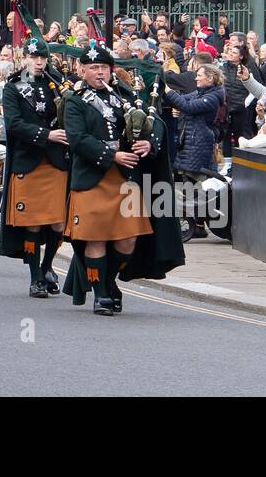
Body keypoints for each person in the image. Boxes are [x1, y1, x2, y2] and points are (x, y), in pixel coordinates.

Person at [61, 41, 183, 314]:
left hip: (124, 179)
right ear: (82, 70)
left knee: (128, 239)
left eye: (103, 67)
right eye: (93, 68)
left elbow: (155, 122)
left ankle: (107, 280)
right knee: (96, 238)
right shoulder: (75, 101)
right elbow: (78, 139)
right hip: (92, 177)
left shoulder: (124, 96)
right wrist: (112, 155)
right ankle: (101, 294)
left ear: (111, 69)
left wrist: (149, 143)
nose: (99, 73)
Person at [0, 26, 71, 298]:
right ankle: (35, 277)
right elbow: (14, 124)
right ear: (24, 58)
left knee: (57, 223)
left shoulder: (57, 83)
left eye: (42, 57)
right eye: (34, 57)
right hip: (28, 161)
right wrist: (47, 134)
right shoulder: (13, 87)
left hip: (55, 162)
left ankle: (48, 264)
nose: (39, 62)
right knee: (32, 223)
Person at [164, 63, 226, 175]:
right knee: (187, 179)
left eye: (199, 75)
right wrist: (164, 92)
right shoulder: (199, 93)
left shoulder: (212, 98)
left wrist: (167, 89)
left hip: (199, 143)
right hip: (192, 142)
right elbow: (180, 100)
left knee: (198, 181)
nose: (196, 78)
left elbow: (188, 107)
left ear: (210, 78)